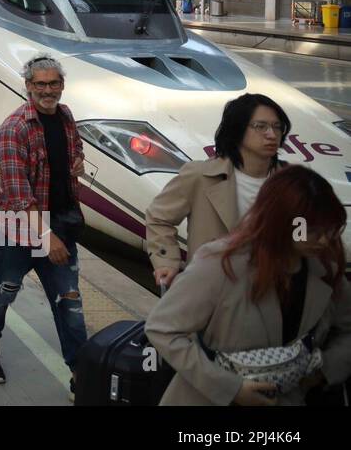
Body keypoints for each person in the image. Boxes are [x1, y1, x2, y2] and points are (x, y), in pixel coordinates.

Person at [145, 165, 351, 406]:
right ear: (281, 221)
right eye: (313, 230)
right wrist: (230, 388)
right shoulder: (220, 264)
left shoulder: (325, 270)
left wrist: (323, 370)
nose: (325, 240)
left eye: (330, 229)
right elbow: (162, 328)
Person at [0, 55, 88, 400]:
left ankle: (81, 373)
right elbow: (19, 195)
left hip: (62, 222)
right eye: (40, 83)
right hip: (17, 228)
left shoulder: (66, 117)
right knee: (4, 289)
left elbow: (75, 147)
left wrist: (77, 162)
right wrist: (46, 237)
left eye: (53, 83)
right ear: (27, 86)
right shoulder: (14, 128)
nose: (47, 90)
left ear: (62, 86)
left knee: (69, 299)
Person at [146, 93, 290, 289]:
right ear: (237, 130)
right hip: (211, 293)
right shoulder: (200, 176)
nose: (272, 135)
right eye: (260, 126)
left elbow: (302, 226)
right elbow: (159, 217)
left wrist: (302, 253)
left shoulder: (293, 183)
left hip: (272, 292)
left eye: (277, 127)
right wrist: (166, 261)